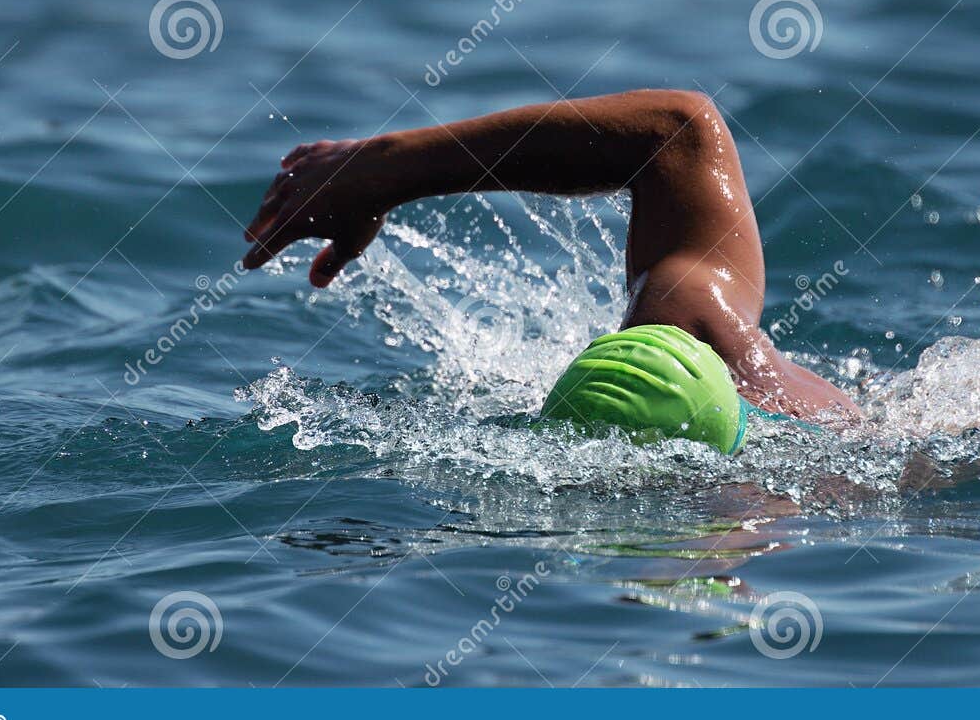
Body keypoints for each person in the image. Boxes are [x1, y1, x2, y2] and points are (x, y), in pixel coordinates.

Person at [241, 90, 862, 453]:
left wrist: (382, 169)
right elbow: (680, 130)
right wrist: (384, 170)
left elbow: (679, 130)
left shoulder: (703, 331)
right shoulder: (822, 438)